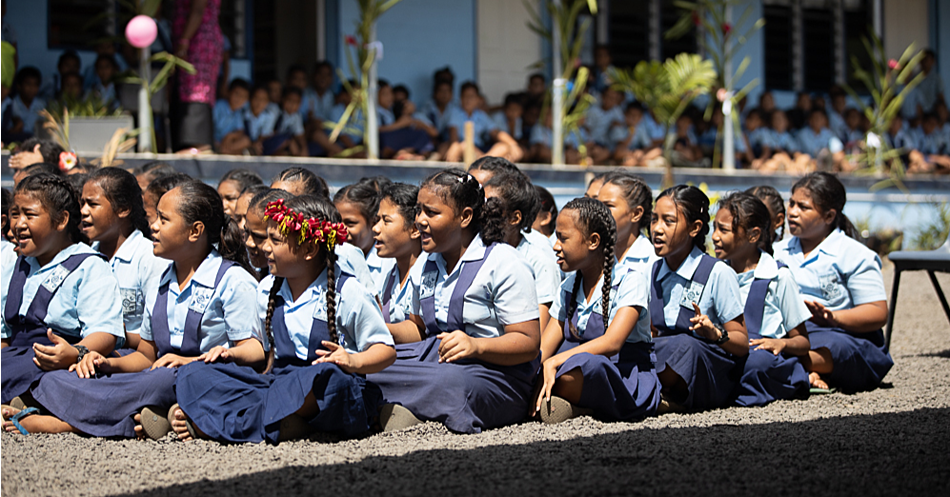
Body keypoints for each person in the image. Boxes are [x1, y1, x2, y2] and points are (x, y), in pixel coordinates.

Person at [6, 181, 261, 438]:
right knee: (57, 379)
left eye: (164, 219)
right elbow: (146, 356)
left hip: (202, 375)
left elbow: (254, 350)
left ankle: (67, 423)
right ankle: (152, 414)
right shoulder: (163, 280)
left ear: (195, 231)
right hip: (158, 374)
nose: (154, 225)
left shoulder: (233, 281)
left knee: (169, 380)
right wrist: (108, 364)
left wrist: (193, 361)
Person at [170, 195, 395, 443]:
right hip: (277, 383)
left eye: (275, 240)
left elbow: (385, 350)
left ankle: (211, 423)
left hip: (324, 388)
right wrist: (230, 354)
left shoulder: (348, 292)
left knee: (324, 378)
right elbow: (261, 349)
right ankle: (285, 422)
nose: (265, 247)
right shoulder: (267, 289)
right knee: (196, 372)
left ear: (309, 249)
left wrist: (353, 360)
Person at [368, 169, 541, 434]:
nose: (419, 221)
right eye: (419, 211)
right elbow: (418, 329)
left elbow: (528, 343)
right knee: (370, 364)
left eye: (431, 213)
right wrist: (372, 331)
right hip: (434, 361)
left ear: (465, 216)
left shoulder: (504, 263)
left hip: (496, 376)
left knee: (451, 383)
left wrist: (476, 346)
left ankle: (399, 406)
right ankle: (408, 408)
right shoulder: (428, 261)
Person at [0, 174, 124, 409]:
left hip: (56, 358)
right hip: (15, 357)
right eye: (16, 214)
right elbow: (4, 335)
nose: (19, 224)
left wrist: (75, 352)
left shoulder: (89, 265)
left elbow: (105, 332)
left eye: (30, 214)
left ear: (61, 220)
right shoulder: (16, 264)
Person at [534, 197, 659, 423]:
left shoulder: (631, 281)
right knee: (535, 372)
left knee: (591, 365)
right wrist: (536, 367)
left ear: (593, 241)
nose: (555, 245)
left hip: (620, 375)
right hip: (571, 366)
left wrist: (554, 362)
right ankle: (575, 403)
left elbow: (612, 344)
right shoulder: (568, 287)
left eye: (563, 238)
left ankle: (576, 403)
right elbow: (545, 348)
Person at [774, 172, 892, 392]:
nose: (792, 212)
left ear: (829, 216)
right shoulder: (776, 252)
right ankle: (805, 370)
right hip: (787, 332)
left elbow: (877, 312)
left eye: (803, 207)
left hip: (836, 333)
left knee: (838, 348)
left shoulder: (854, 254)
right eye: (791, 203)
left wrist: (832, 317)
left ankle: (795, 367)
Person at [649, 185, 747, 412]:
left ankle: (645, 392)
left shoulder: (717, 272)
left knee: (687, 346)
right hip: (666, 355)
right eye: (655, 219)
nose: (657, 229)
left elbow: (742, 344)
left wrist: (715, 333)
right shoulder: (652, 272)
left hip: (706, 367)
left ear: (694, 228)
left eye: (669, 221)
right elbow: (654, 334)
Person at [711, 193, 811, 407]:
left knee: (756, 362)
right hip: (727, 345)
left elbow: (802, 342)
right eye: (714, 228)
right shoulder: (714, 273)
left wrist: (781, 343)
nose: (715, 237)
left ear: (753, 235)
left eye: (724, 230)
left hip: (762, 355)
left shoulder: (778, 276)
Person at [79, 169, 167, 353]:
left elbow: (161, 333)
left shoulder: (149, 258)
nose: (83, 211)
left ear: (123, 209)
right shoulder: (84, 257)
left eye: (92, 204)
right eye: (82, 203)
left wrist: (113, 335)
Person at [484, 171, 561, 332]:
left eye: (491, 206)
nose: (482, 213)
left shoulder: (538, 260)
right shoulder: (476, 249)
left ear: (514, 218)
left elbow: (537, 332)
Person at [173, 0, 223, 151]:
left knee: (196, 88)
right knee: (188, 88)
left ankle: (197, 143)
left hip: (199, 40)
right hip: (195, 39)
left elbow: (198, 10)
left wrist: (184, 42)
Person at [372, 183, 422, 324]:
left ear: (414, 229)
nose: (376, 228)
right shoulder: (389, 277)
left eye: (386, 221)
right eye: (377, 220)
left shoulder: (428, 274)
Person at [334, 177, 393, 288]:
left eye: (350, 223)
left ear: (373, 222)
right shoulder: (333, 259)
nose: (341, 229)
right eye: (336, 221)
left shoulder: (389, 265)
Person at [445, 82, 522, 163]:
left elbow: (496, 133)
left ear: (478, 99)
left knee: (502, 147)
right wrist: (456, 146)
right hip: (463, 149)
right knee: (462, 146)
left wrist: (513, 144)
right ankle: (483, 163)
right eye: (465, 96)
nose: (468, 100)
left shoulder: (481, 115)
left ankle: (483, 161)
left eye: (471, 97)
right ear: (461, 98)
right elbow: (454, 139)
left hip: (479, 150)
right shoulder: (454, 113)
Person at [596, 171, 656, 275]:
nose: (598, 212)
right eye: (597, 204)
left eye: (608, 205)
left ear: (636, 214)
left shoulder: (652, 263)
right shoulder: (592, 254)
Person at [263, 87, 307, 156]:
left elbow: (300, 135)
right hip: (266, 144)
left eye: (296, 102)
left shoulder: (296, 116)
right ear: (283, 99)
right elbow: (266, 135)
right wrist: (287, 140)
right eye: (290, 101)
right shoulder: (274, 111)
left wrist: (304, 148)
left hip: (282, 144)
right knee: (289, 140)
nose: (292, 105)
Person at [213, 79, 251, 154]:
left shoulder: (238, 112)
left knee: (246, 141)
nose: (239, 99)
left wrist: (231, 136)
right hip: (214, 141)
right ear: (229, 92)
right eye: (237, 94)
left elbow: (240, 131)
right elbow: (208, 126)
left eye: (243, 97)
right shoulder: (219, 106)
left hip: (227, 143)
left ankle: (225, 151)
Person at [11, 66, 44, 137]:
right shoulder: (11, 104)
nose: (32, 88)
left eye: (35, 85)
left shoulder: (41, 105)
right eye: (28, 84)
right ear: (19, 86)